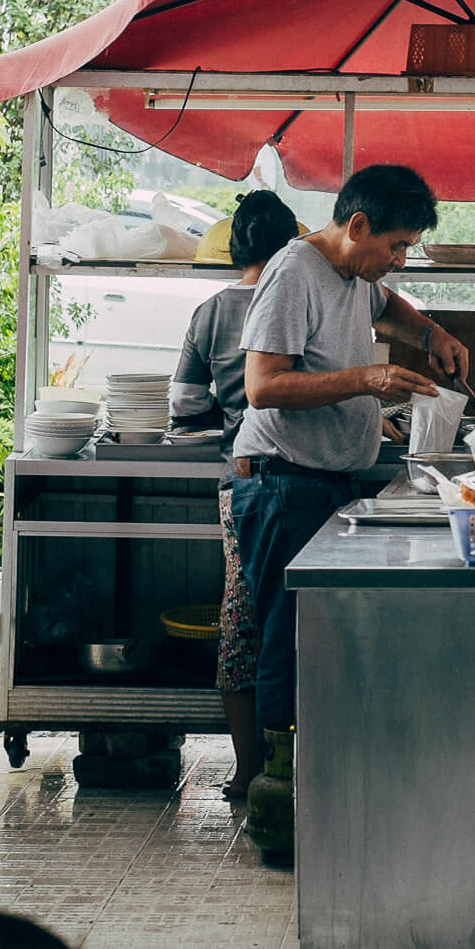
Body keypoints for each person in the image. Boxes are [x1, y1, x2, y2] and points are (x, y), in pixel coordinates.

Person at [229, 164, 470, 761]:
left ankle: (314, 782)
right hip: (284, 486)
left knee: (319, 636)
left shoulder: (354, 272)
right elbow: (262, 387)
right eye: (397, 246)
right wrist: (368, 378)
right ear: (358, 226)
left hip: (326, 485)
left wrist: (432, 334)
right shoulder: (294, 272)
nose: (400, 260)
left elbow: (389, 307)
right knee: (289, 640)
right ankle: (279, 792)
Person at [170, 189, 301, 799]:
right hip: (299, 477)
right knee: (290, 621)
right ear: (290, 248)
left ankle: (248, 765)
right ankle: (290, 764)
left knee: (242, 619)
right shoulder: (298, 296)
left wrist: (222, 421)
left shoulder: (212, 311)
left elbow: (183, 405)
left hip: (238, 480)